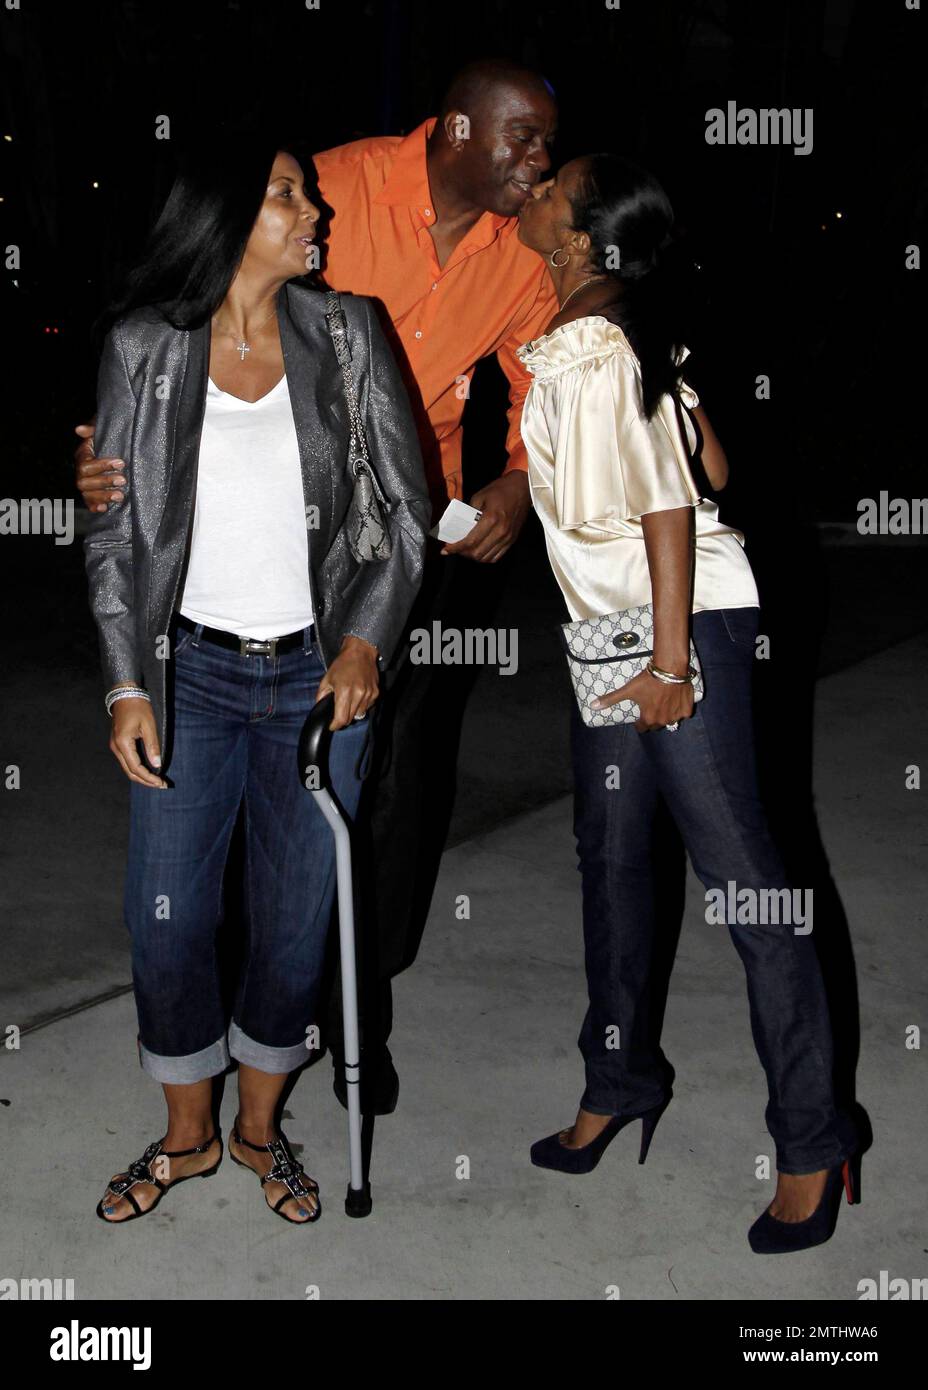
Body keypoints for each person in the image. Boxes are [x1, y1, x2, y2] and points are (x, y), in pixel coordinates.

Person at [75, 59, 560, 1115]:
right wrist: (120, 454)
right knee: (211, 844)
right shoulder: (335, 186)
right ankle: (230, 1028)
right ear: (457, 129)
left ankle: (352, 1017)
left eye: (546, 143)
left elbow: (542, 378)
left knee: (388, 784)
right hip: (259, 575)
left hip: (410, 538)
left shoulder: (516, 252)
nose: (540, 159)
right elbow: (182, 357)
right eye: (523, 137)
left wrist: (519, 480)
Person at [515, 153, 859, 1252]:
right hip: (611, 630)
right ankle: (618, 1079)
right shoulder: (618, 334)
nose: (532, 192)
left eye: (551, 190)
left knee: (749, 884)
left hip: (674, 631)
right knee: (612, 860)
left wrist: (671, 666)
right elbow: (713, 463)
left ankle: (814, 1139)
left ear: (580, 237)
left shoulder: (601, 344)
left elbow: (673, 505)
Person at [84, 136, 429, 1225]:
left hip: (318, 683)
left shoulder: (349, 332)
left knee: (293, 918)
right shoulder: (144, 346)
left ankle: (259, 1132)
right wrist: (124, 685)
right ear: (229, 217)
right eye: (289, 194)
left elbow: (405, 510)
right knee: (166, 918)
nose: (314, 209)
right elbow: (113, 530)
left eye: (309, 194)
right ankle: (188, 1137)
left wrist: (365, 642)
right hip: (188, 675)